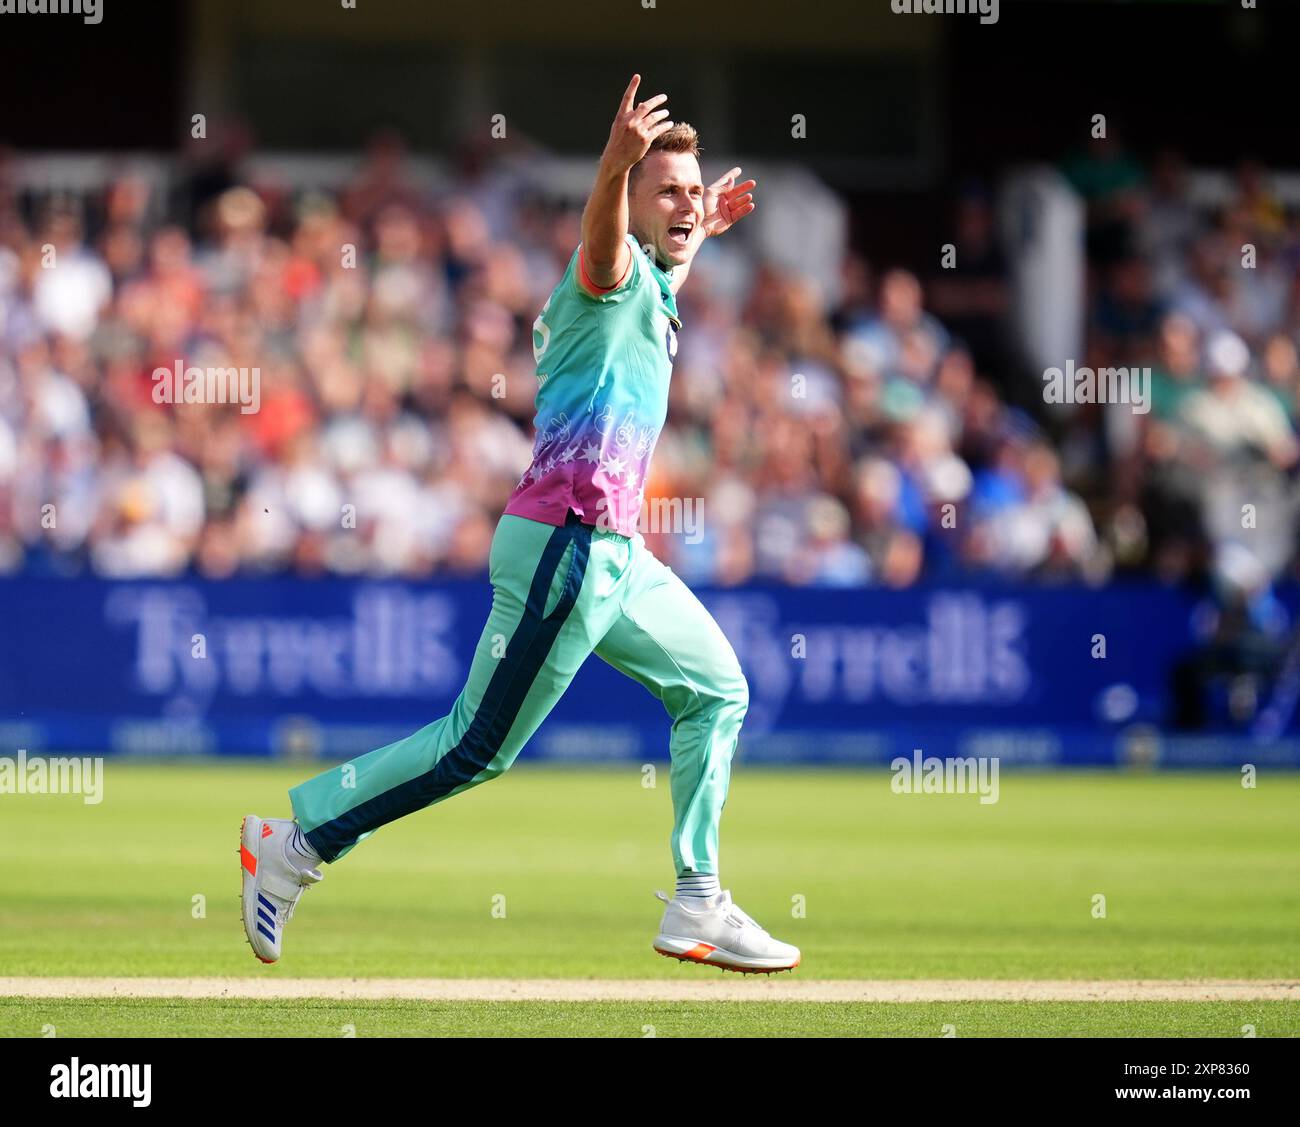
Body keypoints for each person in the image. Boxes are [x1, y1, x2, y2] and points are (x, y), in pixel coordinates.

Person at [240, 75, 801, 974]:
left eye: (695, 190)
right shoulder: (608, 273)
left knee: (716, 691)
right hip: (567, 549)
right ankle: (295, 843)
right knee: (474, 747)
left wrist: (699, 224)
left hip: (615, 556)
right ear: (630, 199)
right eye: (671, 190)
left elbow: (660, 260)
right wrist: (617, 166)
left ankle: (698, 899)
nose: (688, 203)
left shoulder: (651, 283)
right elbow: (606, 243)